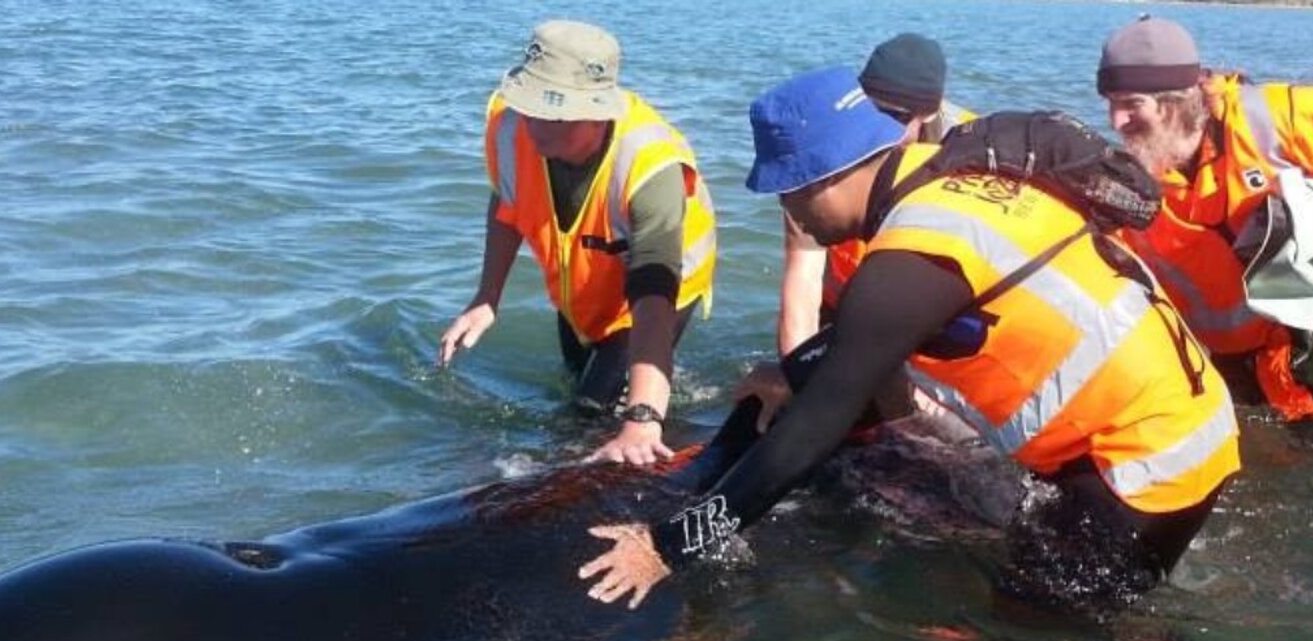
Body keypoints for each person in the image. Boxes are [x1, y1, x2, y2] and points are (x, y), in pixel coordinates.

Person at [578, 67, 1241, 609]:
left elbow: (806, 439)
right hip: (1186, 425)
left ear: (831, 176)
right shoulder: (954, 179)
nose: (793, 215)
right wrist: (797, 370)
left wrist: (670, 545)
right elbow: (877, 347)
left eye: (793, 195)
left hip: (1145, 469)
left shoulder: (905, 259)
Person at [1096, 16, 1313, 422]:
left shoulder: (1282, 119)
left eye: (1130, 105)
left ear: (1174, 101)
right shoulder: (1140, 180)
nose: (1115, 122)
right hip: (1239, 358)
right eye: (1110, 103)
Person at [438, 20, 718, 464]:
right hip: (582, 278)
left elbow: (653, 296)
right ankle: (665, 396)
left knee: (584, 416)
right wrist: (486, 297)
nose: (532, 124)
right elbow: (507, 202)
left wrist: (642, 417)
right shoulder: (514, 129)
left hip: (658, 286)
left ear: (596, 112)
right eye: (528, 107)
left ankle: (653, 436)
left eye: (551, 112)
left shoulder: (650, 167)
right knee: (576, 380)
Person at [777, 33, 974, 357]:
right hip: (843, 305)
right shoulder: (832, 140)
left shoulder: (968, 156)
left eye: (896, 117)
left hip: (926, 312)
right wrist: (792, 375)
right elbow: (803, 276)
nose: (880, 130)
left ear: (929, 112)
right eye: (872, 112)